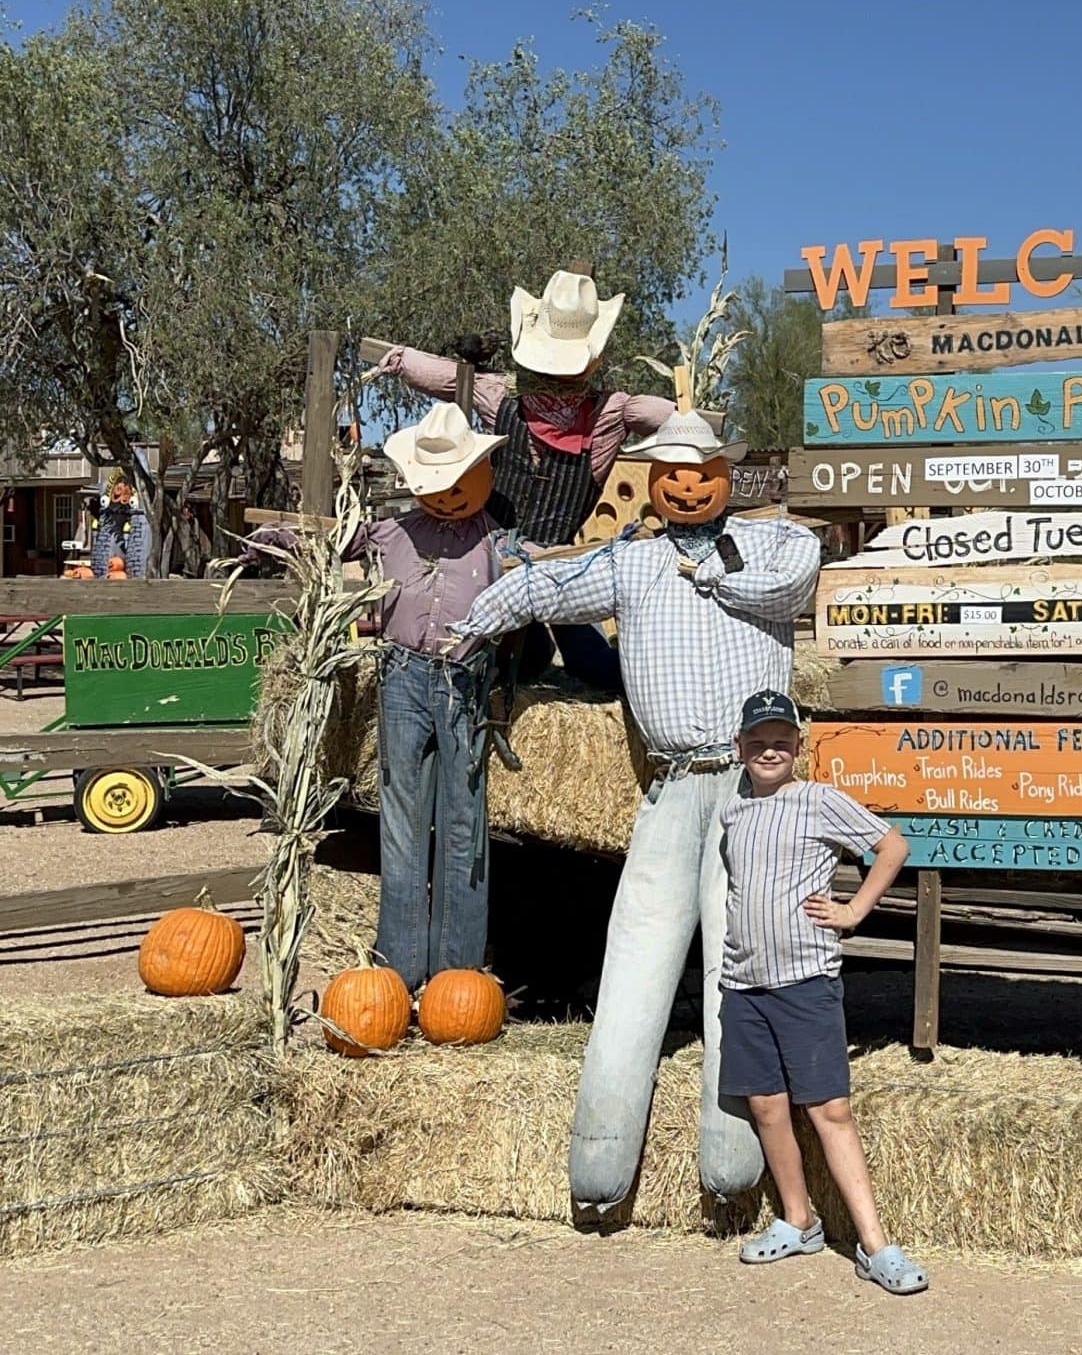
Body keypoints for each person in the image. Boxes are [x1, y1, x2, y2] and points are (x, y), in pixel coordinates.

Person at [451, 403, 821, 1214]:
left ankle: (732, 1167)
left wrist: (711, 573)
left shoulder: (773, 541)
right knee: (635, 967)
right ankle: (600, 1168)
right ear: (652, 480)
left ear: (725, 475)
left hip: (754, 790)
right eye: (672, 474)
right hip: (671, 784)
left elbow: (795, 578)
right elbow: (550, 585)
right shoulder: (633, 563)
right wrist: (475, 621)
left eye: (701, 473)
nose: (687, 486)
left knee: (746, 970)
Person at [250, 403, 507, 988]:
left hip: (468, 681)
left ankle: (457, 973)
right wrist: (270, 540)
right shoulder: (389, 533)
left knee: (464, 820)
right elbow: (323, 541)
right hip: (403, 676)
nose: (444, 495)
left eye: (455, 482)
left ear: (481, 474)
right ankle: (400, 966)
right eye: (433, 484)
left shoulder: (500, 543)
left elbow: (552, 579)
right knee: (402, 818)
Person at [370, 268, 677, 689]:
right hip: (490, 563)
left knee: (593, 665)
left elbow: (673, 418)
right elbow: (446, 377)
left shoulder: (610, 412)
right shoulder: (498, 394)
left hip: (555, 567)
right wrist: (400, 360)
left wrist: (691, 418)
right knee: (503, 656)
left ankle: (640, 680)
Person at [716, 689, 927, 1295]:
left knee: (829, 1110)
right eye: (757, 741)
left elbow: (892, 846)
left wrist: (854, 910)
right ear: (740, 748)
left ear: (798, 748)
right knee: (765, 1106)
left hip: (805, 981)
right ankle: (797, 1220)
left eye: (781, 740)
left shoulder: (818, 800)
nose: (769, 750)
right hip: (744, 983)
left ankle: (876, 1246)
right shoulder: (732, 812)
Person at [89, 470, 151, 579]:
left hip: (128, 566)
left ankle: (135, 569)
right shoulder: (107, 514)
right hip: (113, 566)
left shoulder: (139, 514)